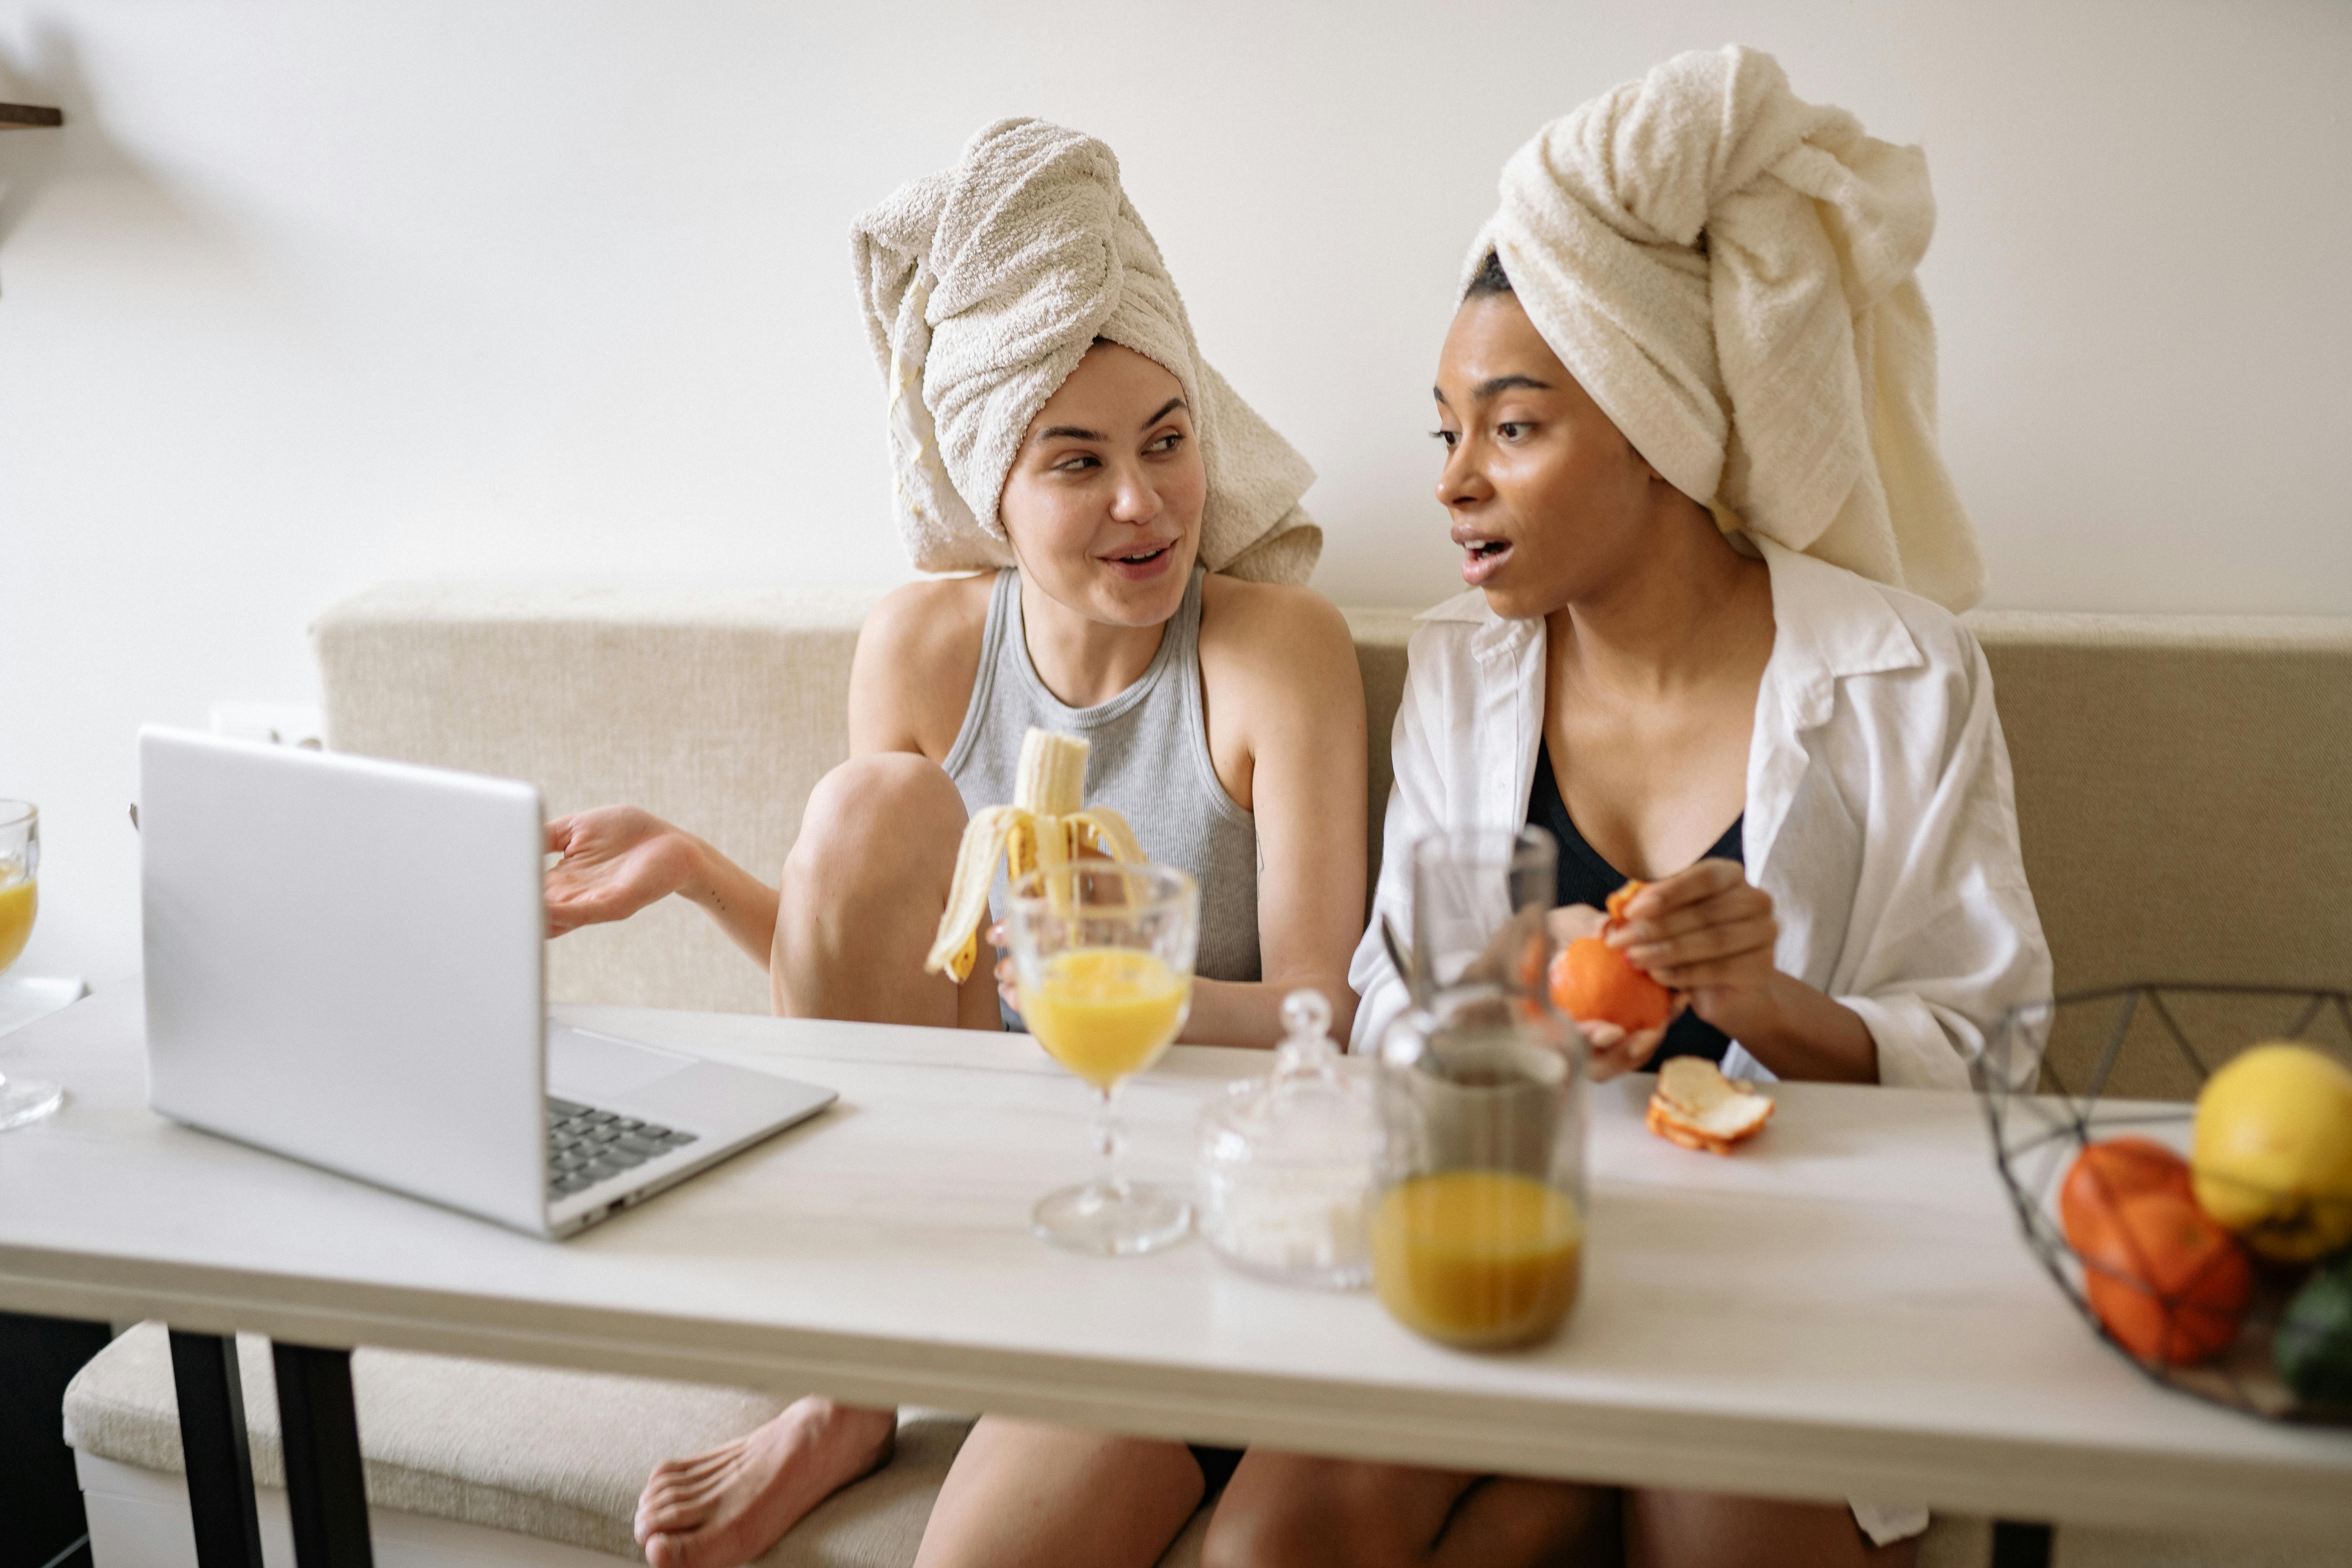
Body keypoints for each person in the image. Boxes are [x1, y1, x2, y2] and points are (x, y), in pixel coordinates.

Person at [1202, 47, 2049, 1568]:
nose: (1456, 482)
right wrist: (1503, 1006)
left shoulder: (1900, 670)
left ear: (1660, 429)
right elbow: (1396, 992)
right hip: (1505, 1221)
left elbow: (1998, 1052)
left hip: (1789, 1273)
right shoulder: (1466, 670)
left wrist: (1765, 1000)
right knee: (1279, 1534)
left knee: (1715, 1520)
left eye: (1512, 428)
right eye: (1445, 429)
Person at [538, 119, 1367, 1568]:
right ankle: (852, 1389)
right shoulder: (922, 645)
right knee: (870, 806)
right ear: (994, 488)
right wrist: (692, 870)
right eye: (1078, 462)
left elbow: (1324, 1018)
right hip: (949, 1201)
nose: (1144, 503)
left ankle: (970, 1380)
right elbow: (897, 987)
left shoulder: (1272, 653)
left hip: (1166, 1209)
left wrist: (1116, 975)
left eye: (1169, 443)